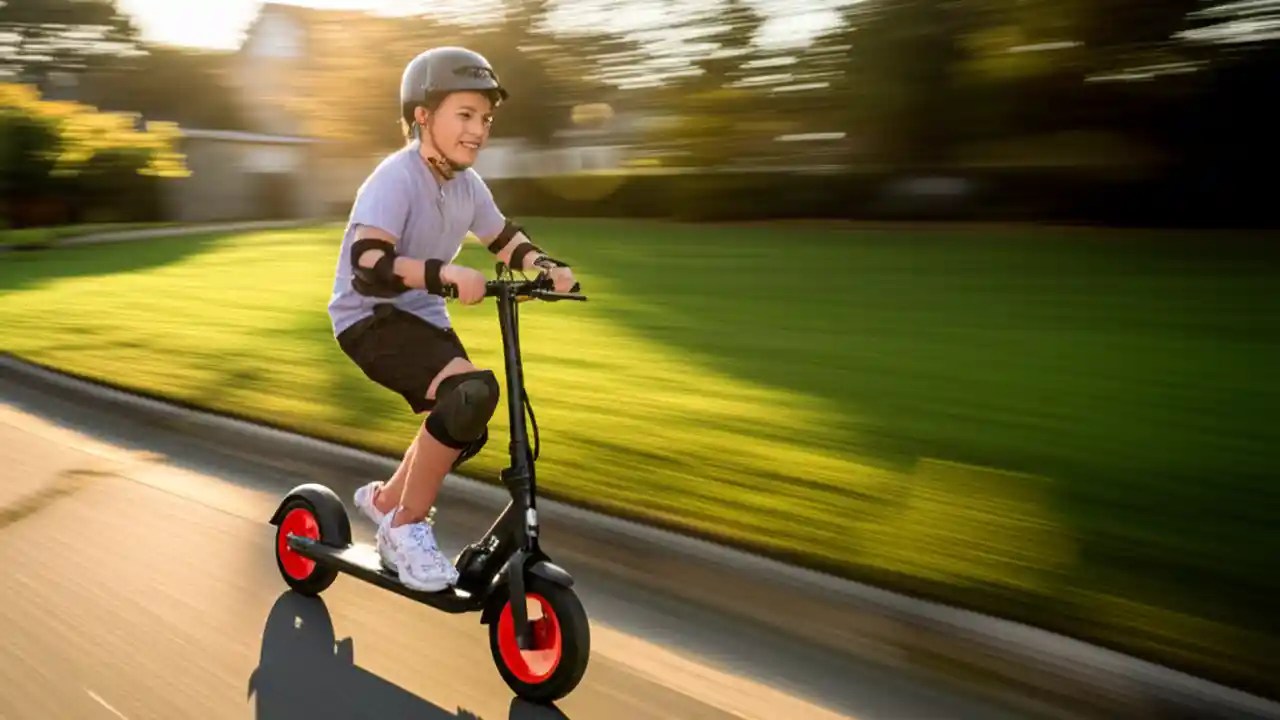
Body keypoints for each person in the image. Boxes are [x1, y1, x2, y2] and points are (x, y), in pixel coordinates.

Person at [327, 47, 576, 592]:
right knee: (468, 395)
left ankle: (389, 499)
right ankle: (404, 525)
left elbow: (502, 237)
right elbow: (367, 265)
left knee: (470, 414)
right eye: (464, 115)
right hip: (369, 318)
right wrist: (442, 273)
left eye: (485, 119)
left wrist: (544, 266)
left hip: (418, 317)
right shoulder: (395, 178)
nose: (478, 130)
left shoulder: (467, 185)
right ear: (423, 116)